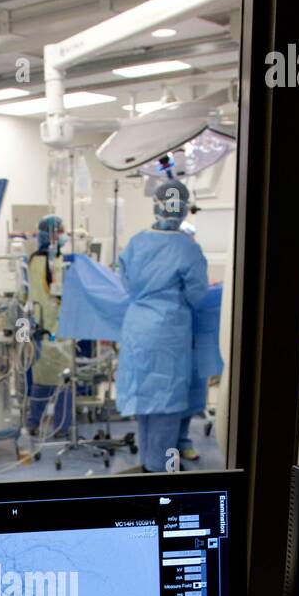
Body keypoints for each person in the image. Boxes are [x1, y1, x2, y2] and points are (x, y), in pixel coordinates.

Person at [116, 177, 209, 471]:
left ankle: (147, 463)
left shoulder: (136, 243)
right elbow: (197, 295)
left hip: (137, 329)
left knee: (145, 400)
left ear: (155, 206)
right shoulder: (187, 248)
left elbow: (128, 285)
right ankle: (161, 472)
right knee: (166, 405)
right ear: (184, 209)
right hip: (169, 330)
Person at [27, 215, 74, 438]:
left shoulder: (33, 259)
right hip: (55, 330)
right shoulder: (55, 262)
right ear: (52, 234)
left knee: (42, 380)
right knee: (64, 380)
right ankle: (62, 428)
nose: (63, 235)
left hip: (41, 328)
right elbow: (58, 293)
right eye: (60, 231)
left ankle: (33, 423)